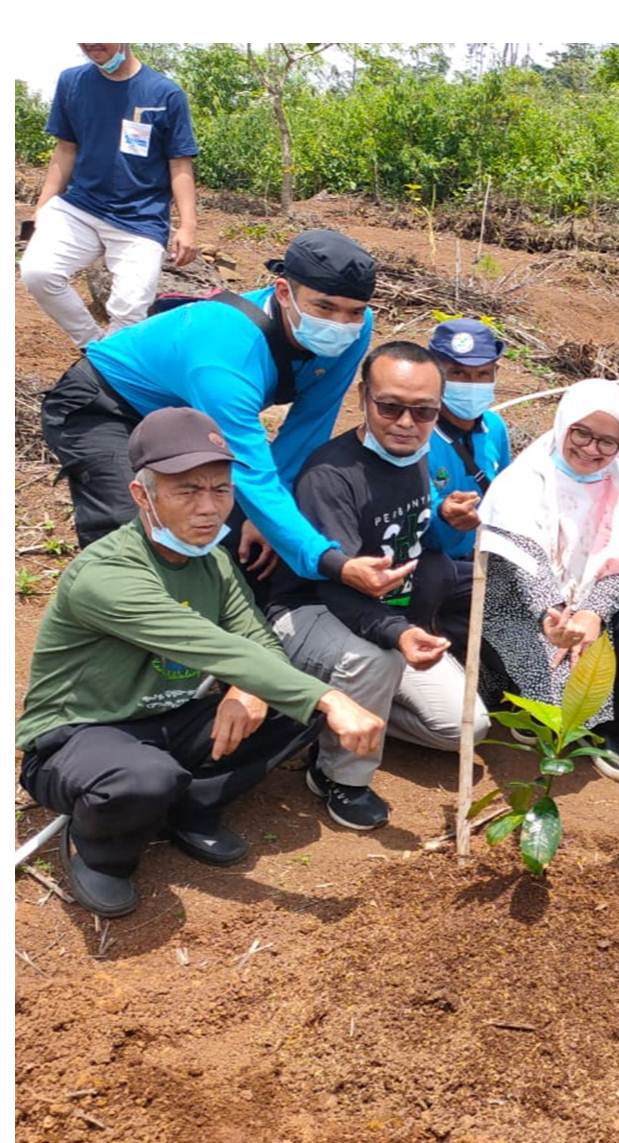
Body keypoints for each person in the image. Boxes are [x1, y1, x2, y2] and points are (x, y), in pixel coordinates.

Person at [16, 408, 385, 917]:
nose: (209, 508)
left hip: (169, 716)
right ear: (143, 495)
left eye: (220, 489)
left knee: (290, 703)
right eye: (186, 491)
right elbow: (211, 645)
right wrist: (330, 696)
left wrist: (245, 691)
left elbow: (257, 639)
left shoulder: (211, 559)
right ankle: (103, 854)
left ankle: (188, 810)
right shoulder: (106, 576)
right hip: (82, 731)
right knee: (145, 778)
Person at [39, 230, 402, 613]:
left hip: (186, 421)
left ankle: (223, 636)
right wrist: (329, 561)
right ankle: (106, 626)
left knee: (236, 530)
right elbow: (251, 472)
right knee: (137, 527)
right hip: (106, 407)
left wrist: (266, 517)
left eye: (354, 311)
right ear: (283, 291)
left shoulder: (355, 331)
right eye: (324, 307)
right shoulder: (227, 350)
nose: (340, 324)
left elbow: (310, 425)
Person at [265, 342, 490, 830]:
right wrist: (398, 633)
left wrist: (450, 520)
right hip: (310, 610)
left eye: (424, 410)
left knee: (464, 726)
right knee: (373, 659)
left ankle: (343, 720)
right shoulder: (331, 474)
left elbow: (418, 539)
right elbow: (337, 586)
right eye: (390, 406)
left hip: (384, 614)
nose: (406, 422)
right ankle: (339, 778)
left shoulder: (417, 458)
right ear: (364, 397)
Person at [477, 379, 619, 779]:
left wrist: (593, 614)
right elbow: (522, 565)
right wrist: (558, 618)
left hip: (588, 609)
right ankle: (538, 709)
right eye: (581, 433)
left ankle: (603, 729)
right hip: (524, 613)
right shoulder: (523, 481)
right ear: (564, 424)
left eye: (606, 441)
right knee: (553, 675)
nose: (590, 448)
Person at [20, 44, 199, 347]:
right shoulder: (72, 82)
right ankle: (95, 350)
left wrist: (188, 226)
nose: (91, 43)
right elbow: (66, 149)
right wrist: (43, 206)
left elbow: (179, 162)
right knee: (38, 273)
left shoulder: (165, 94)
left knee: (130, 310)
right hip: (80, 206)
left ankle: (112, 367)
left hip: (140, 218)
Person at [423, 318, 513, 559]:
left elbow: (506, 493)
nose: (472, 384)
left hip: (483, 559)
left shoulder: (495, 426)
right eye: (457, 373)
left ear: (496, 373)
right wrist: (443, 512)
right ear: (434, 372)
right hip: (432, 560)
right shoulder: (417, 431)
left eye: (483, 374)